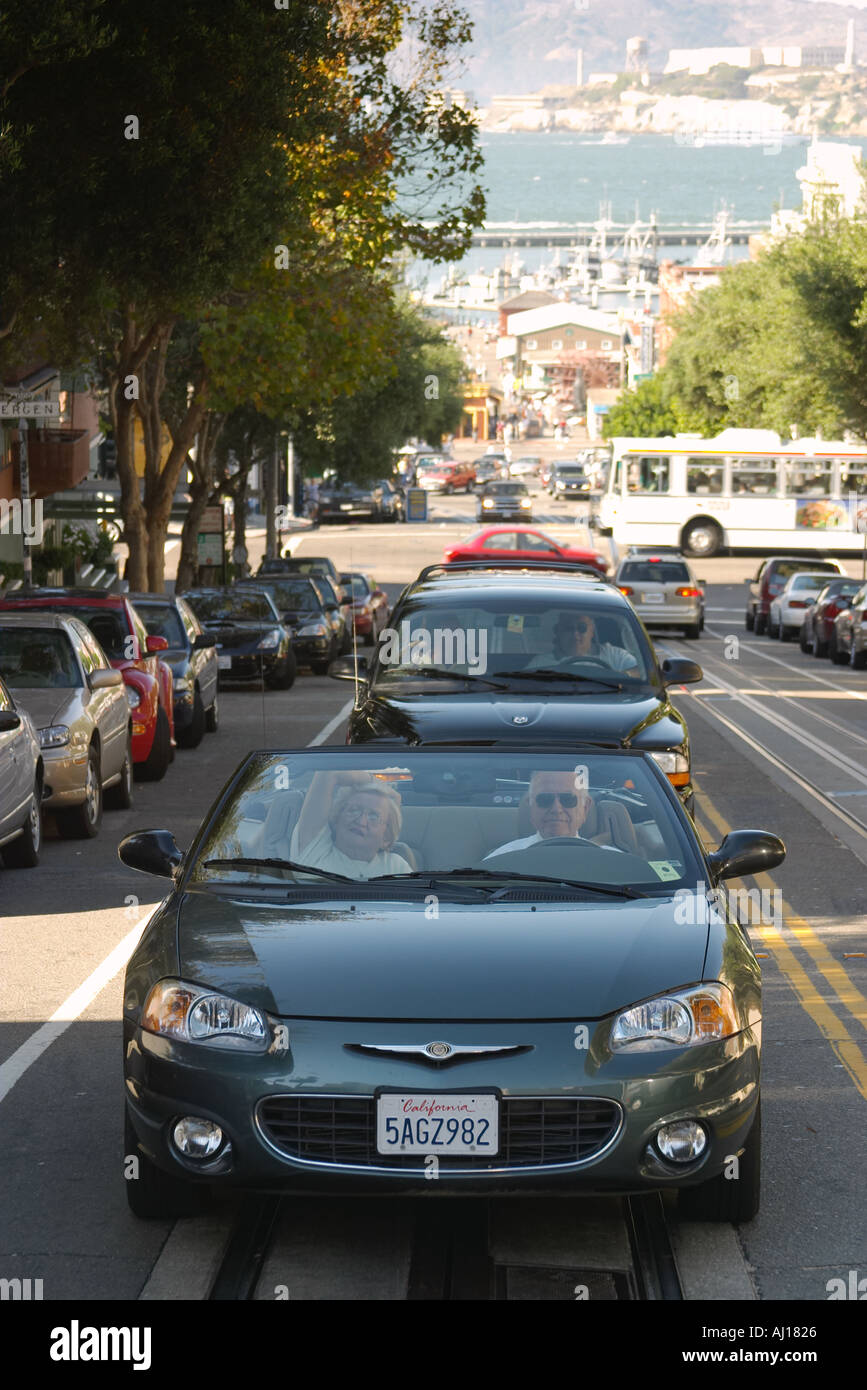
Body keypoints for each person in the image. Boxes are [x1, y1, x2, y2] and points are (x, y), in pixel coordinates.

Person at [290, 770, 410, 879]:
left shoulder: (396, 867)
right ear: (337, 818)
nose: (361, 821)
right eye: (354, 810)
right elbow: (328, 774)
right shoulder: (316, 850)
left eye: (373, 816)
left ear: (386, 837)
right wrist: (375, 781)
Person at [485, 770, 619, 858]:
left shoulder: (612, 861)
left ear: (585, 808)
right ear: (531, 807)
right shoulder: (503, 859)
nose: (556, 809)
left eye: (568, 799)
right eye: (545, 800)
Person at [526, 612, 641, 677]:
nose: (575, 634)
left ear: (592, 631)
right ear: (558, 632)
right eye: (568, 628)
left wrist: (621, 675)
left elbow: (642, 672)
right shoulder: (540, 663)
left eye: (582, 628)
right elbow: (525, 683)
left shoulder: (615, 656)